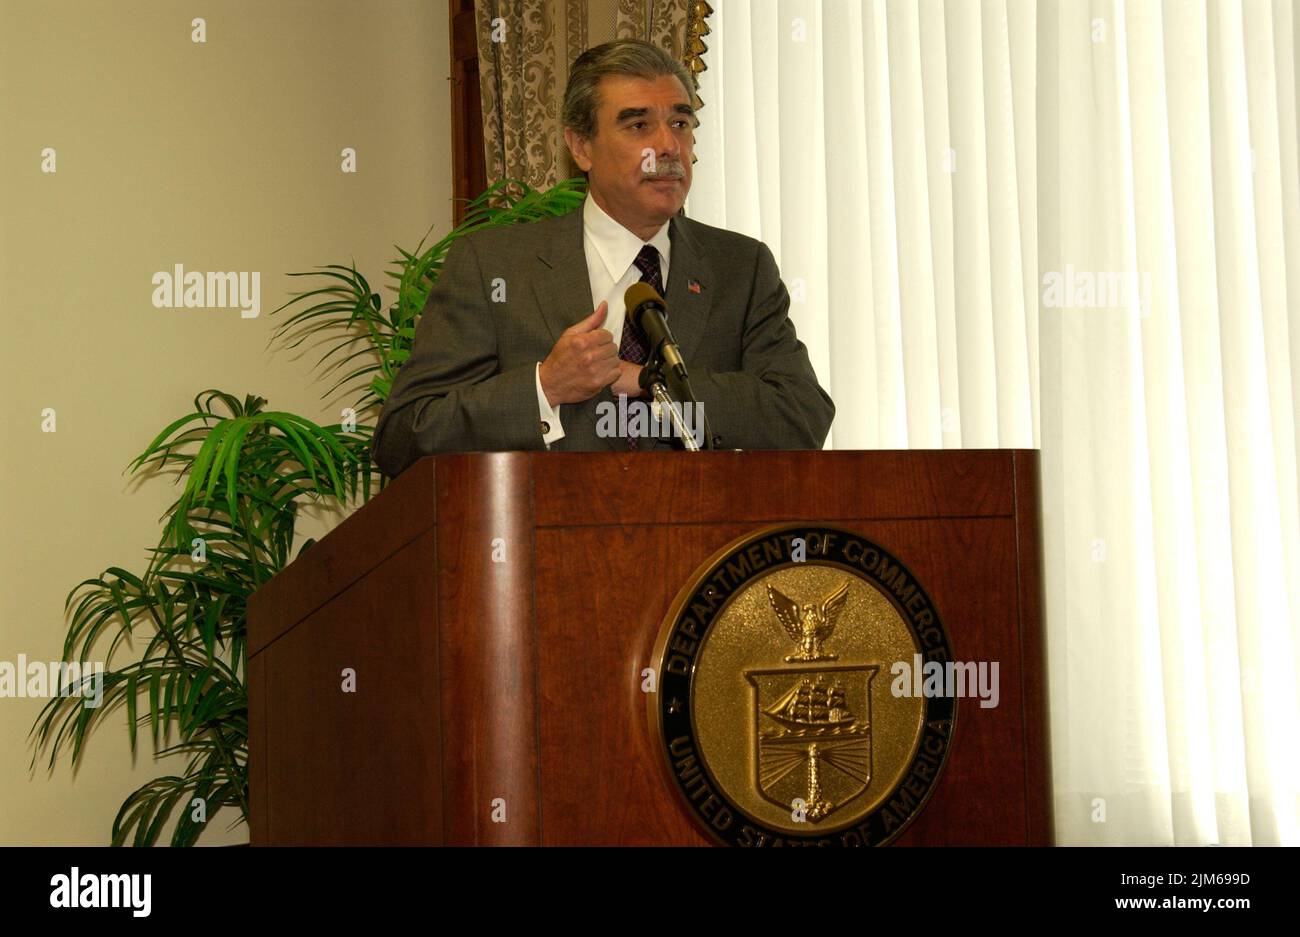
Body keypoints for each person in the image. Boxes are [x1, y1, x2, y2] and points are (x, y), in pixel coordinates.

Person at [372, 39, 834, 476]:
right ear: (580, 147)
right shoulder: (493, 266)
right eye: (638, 125)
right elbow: (403, 436)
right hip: (545, 550)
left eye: (680, 123)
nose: (668, 147)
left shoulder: (740, 266)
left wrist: (649, 382)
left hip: (703, 551)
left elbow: (800, 415)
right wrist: (545, 387)